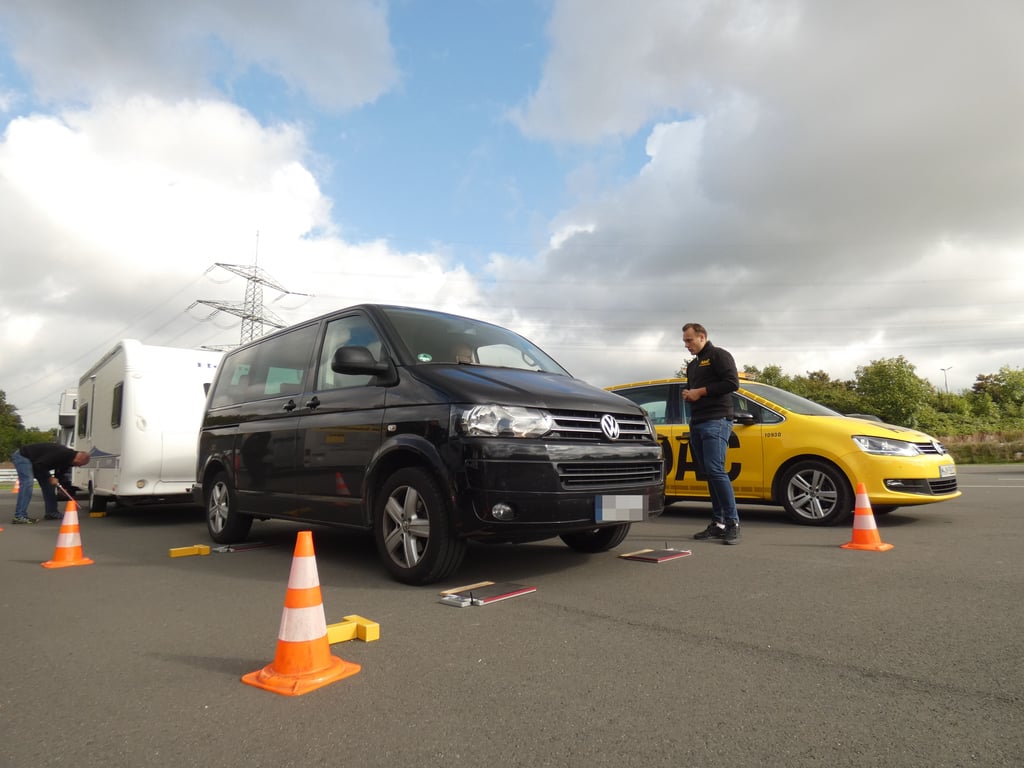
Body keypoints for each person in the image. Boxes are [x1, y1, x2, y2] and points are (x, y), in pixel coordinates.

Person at [681, 323, 741, 544]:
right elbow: (695, 393)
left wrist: (700, 391)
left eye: (689, 340)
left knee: (716, 470)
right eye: (684, 341)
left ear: (702, 337)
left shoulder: (718, 355)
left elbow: (732, 383)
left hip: (717, 420)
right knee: (708, 472)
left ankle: (733, 523)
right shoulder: (692, 366)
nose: (687, 345)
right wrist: (689, 395)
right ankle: (718, 523)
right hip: (697, 422)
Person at [10, 443, 90, 524]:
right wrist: (49, 477)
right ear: (79, 459)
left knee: (49, 486)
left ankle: (52, 513)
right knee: (27, 482)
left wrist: (61, 488)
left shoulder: (69, 461)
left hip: (37, 462)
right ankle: (19, 516)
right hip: (24, 456)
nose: (79, 467)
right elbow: (39, 464)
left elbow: (60, 474)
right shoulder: (62, 453)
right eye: (80, 464)